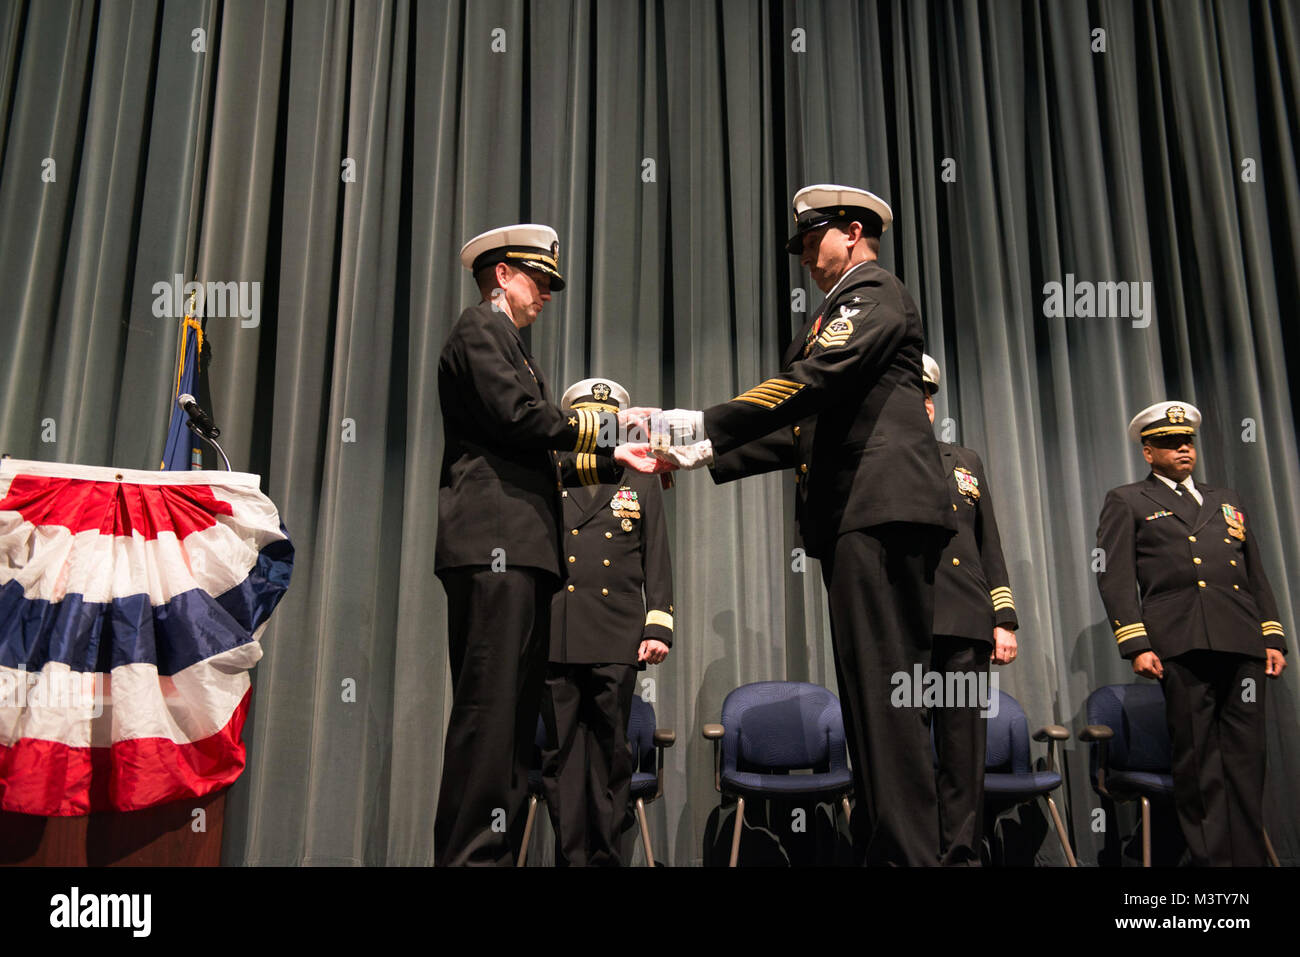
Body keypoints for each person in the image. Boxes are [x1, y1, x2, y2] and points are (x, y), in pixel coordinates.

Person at [633, 185, 955, 865]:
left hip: (883, 510)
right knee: (871, 702)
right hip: (852, 519)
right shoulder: (826, 317)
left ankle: (909, 857)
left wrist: (699, 424)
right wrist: (698, 451)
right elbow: (799, 430)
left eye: (815, 240)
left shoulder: (875, 292)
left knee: (889, 702)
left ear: (855, 229)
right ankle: (886, 850)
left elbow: (815, 382)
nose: (807, 257)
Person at [434, 224, 639, 866]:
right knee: (489, 718)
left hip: (522, 552)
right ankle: (471, 859)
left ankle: (492, 856)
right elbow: (521, 419)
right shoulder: (480, 330)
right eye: (539, 280)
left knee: (515, 727)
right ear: (502, 275)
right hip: (494, 546)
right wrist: (611, 432)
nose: (547, 294)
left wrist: (623, 453)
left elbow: (533, 449)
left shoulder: (513, 346)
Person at [1095, 401, 1287, 866]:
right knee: (1198, 762)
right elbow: (1115, 576)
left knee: (1246, 760)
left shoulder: (1226, 499)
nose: (1183, 448)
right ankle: (1213, 863)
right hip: (1181, 642)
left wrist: (1272, 636)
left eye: (1187, 442)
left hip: (1241, 640)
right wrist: (1136, 642)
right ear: (1148, 451)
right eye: (1169, 442)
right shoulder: (1129, 500)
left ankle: (1249, 860)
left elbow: (1254, 571)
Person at [541, 378, 674, 866]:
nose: (600, 429)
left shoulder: (638, 475)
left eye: (608, 420)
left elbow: (655, 551)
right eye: (591, 420)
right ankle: (571, 858)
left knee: (610, 754)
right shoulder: (551, 472)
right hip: (559, 630)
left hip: (616, 632)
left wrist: (658, 624)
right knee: (560, 757)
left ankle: (605, 859)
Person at [921, 354, 1018, 865]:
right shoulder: (872, 457)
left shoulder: (965, 462)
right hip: (906, 624)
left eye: (928, 396)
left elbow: (988, 542)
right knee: (908, 754)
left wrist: (1002, 618)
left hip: (965, 620)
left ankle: (961, 857)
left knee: (962, 753)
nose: (923, 405)